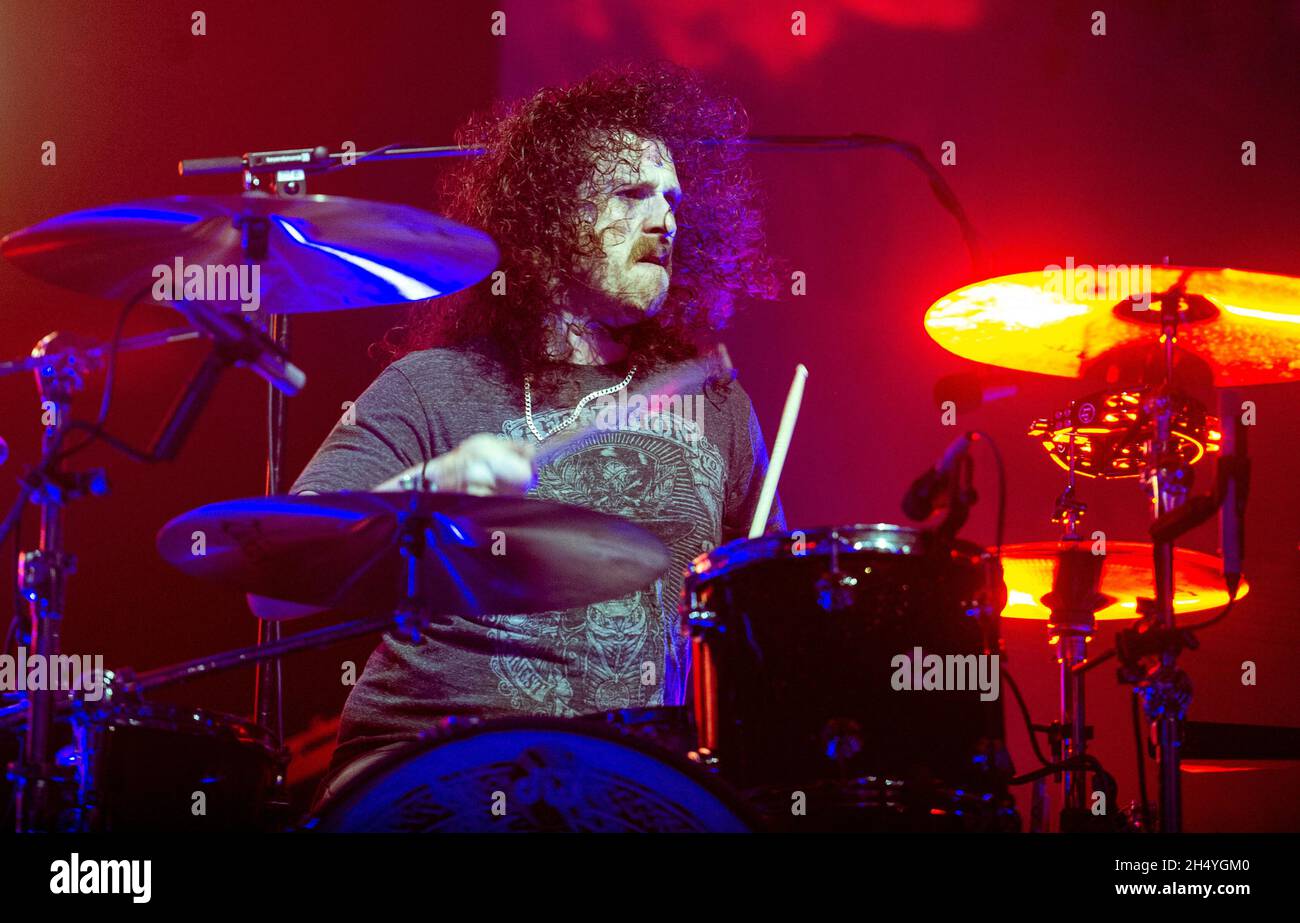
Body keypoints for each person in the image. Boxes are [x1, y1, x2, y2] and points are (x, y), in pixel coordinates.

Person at [292, 63, 784, 806]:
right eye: (631, 193)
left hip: (630, 780)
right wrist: (431, 486)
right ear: (550, 218)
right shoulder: (430, 386)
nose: (666, 220)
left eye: (673, 199)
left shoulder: (717, 403)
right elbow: (279, 592)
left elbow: (767, 621)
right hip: (431, 763)